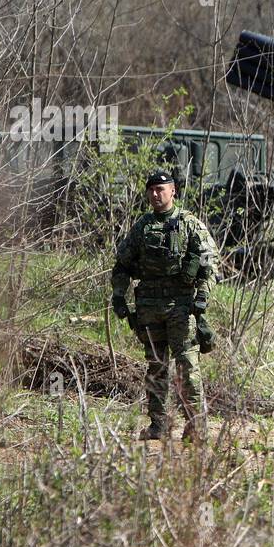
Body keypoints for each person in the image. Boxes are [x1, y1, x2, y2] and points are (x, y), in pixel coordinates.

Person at [110, 169, 219, 442]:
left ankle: (196, 427)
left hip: (181, 306)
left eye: (162, 189)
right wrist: (119, 295)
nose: (156, 195)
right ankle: (158, 425)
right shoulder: (142, 227)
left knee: (188, 366)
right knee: (156, 366)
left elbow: (209, 262)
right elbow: (122, 264)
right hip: (149, 307)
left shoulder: (189, 223)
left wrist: (203, 295)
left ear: (173, 192)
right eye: (152, 190)